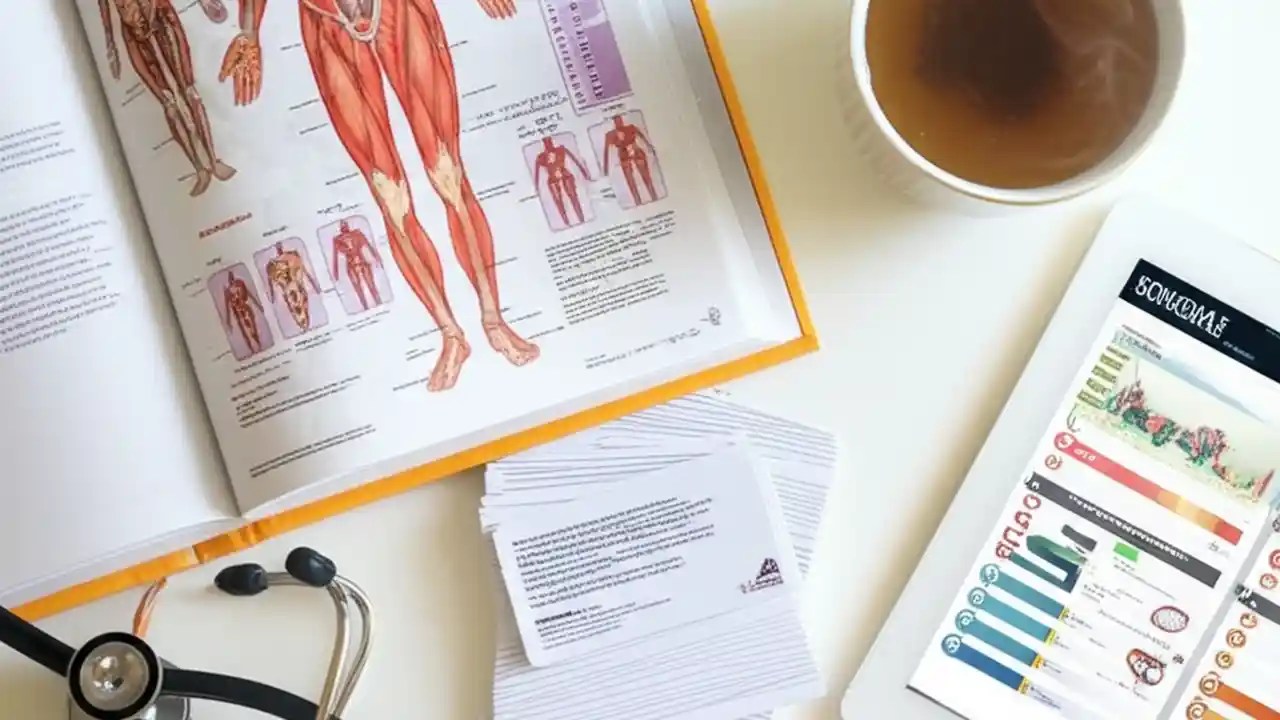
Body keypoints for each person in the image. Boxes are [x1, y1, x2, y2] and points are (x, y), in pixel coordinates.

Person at [219, 0, 538, 392]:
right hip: (329, 23)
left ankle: (493, 318)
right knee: (390, 195)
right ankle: (451, 333)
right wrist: (249, 30)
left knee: (447, 172)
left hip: (397, 10)